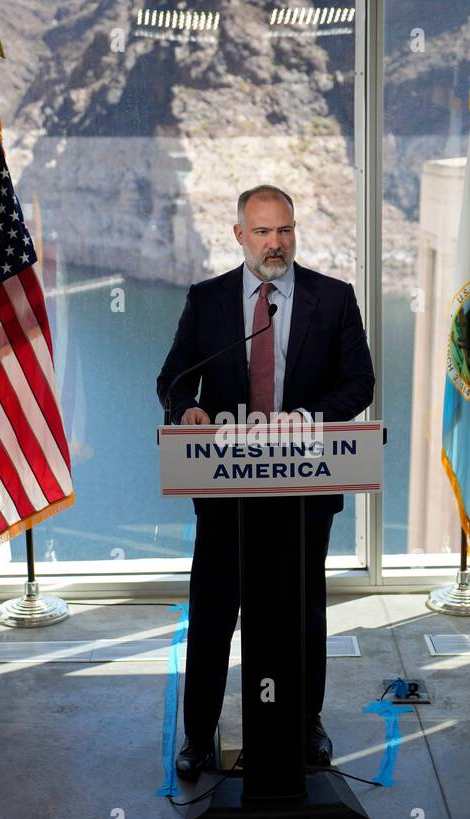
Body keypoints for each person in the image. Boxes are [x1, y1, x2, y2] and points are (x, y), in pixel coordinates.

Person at [156, 184, 375, 779]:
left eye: (284, 231)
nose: (275, 243)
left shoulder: (333, 299)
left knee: (303, 611)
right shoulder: (207, 301)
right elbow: (174, 379)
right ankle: (199, 736)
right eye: (262, 232)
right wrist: (187, 412)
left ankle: (304, 724)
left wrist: (305, 418)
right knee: (213, 612)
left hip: (305, 489)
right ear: (239, 236)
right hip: (227, 490)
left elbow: (360, 385)